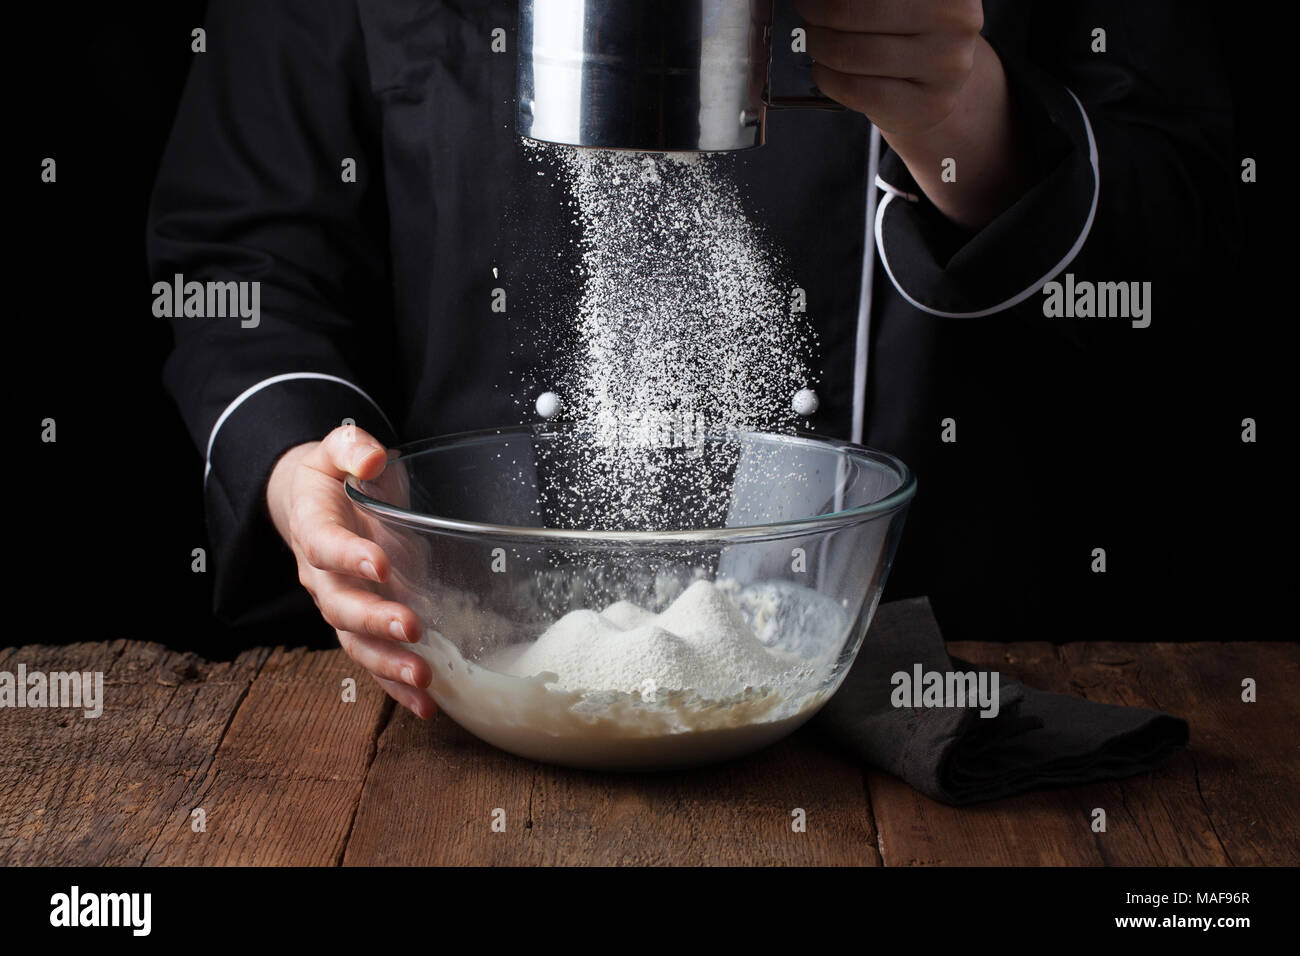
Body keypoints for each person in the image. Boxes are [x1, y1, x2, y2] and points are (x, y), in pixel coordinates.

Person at [149, 0, 1237, 718]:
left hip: (962, 690)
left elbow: (1200, 247)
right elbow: (246, 253)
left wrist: (972, 122)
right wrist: (299, 462)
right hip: (467, 661)